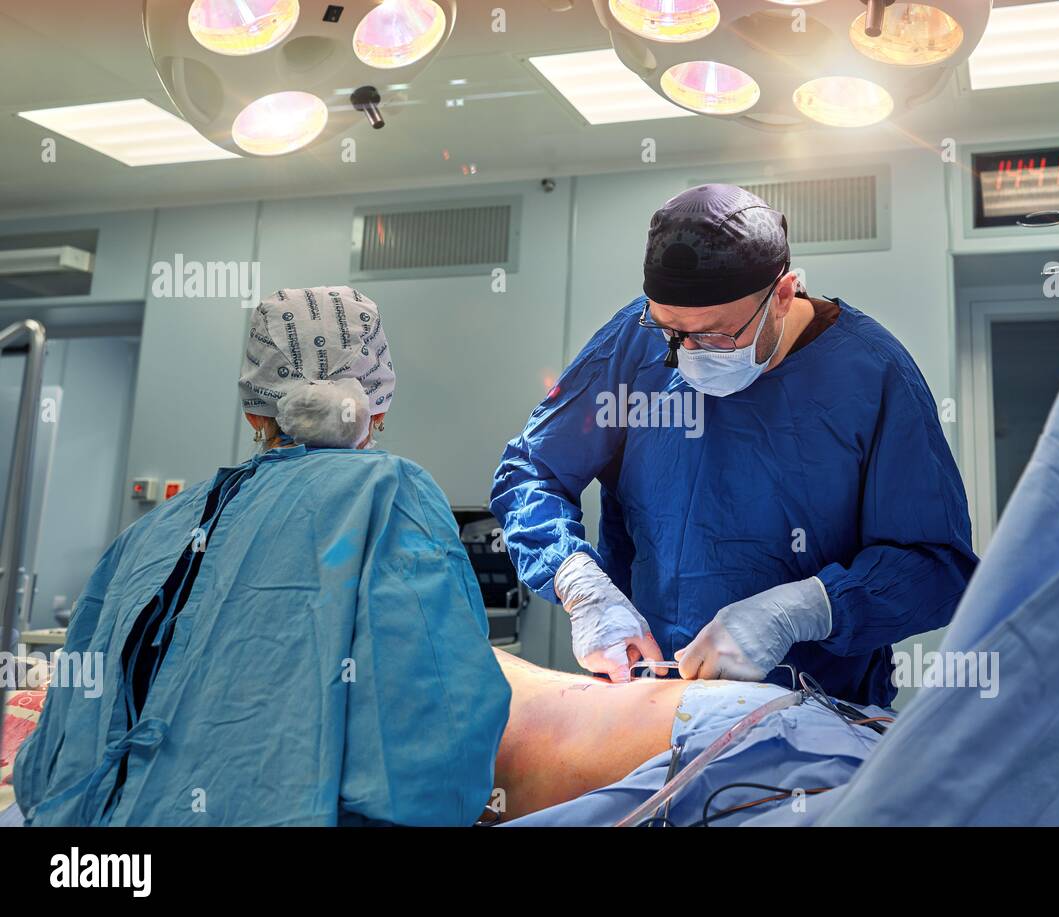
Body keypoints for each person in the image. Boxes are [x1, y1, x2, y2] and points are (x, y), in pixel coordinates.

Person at [14, 287, 510, 826]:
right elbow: (437, 731)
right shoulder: (392, 494)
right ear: (379, 406)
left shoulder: (154, 529)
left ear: (255, 414)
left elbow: (48, 763)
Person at [492, 184, 978, 706]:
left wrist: (803, 608)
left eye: (716, 336)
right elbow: (532, 469)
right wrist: (580, 582)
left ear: (784, 296)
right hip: (653, 701)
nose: (685, 354)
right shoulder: (634, 341)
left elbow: (935, 565)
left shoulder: (872, 374)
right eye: (670, 332)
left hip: (816, 712)